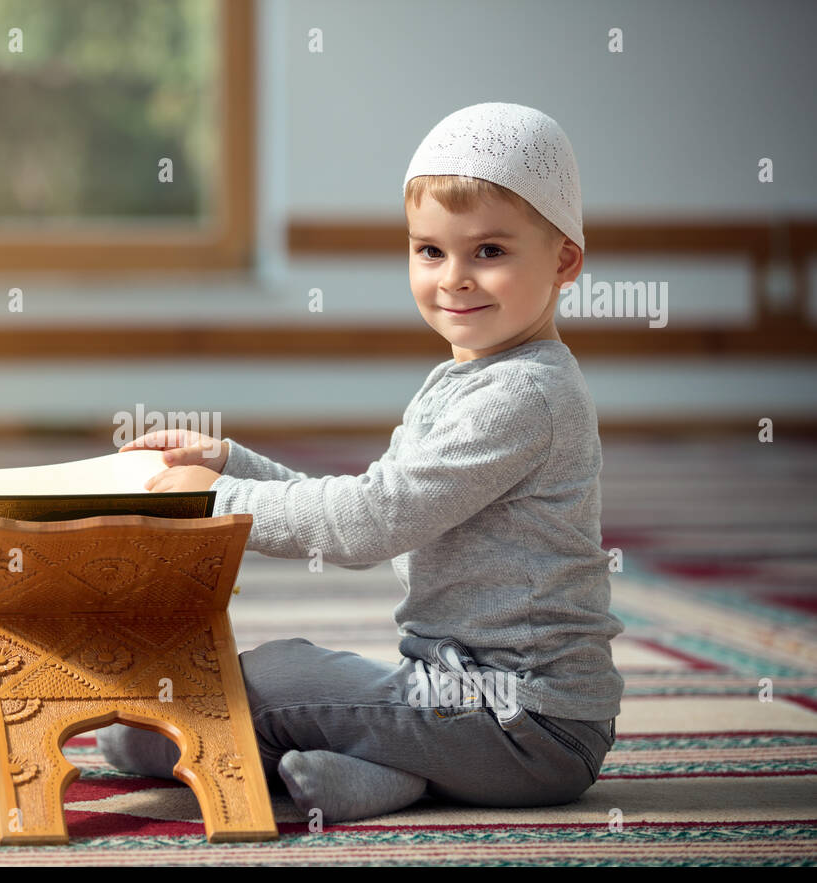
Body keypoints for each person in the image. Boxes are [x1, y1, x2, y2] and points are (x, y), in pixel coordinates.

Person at [96, 102, 624, 824]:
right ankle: (385, 779)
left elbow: (369, 526)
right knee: (295, 678)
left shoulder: (526, 394)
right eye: (431, 251)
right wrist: (226, 458)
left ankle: (218, 743)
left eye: (490, 252)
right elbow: (371, 499)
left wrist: (217, 500)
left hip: (526, 724)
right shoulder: (464, 379)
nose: (455, 279)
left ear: (565, 261)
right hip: (455, 697)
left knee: (276, 676)